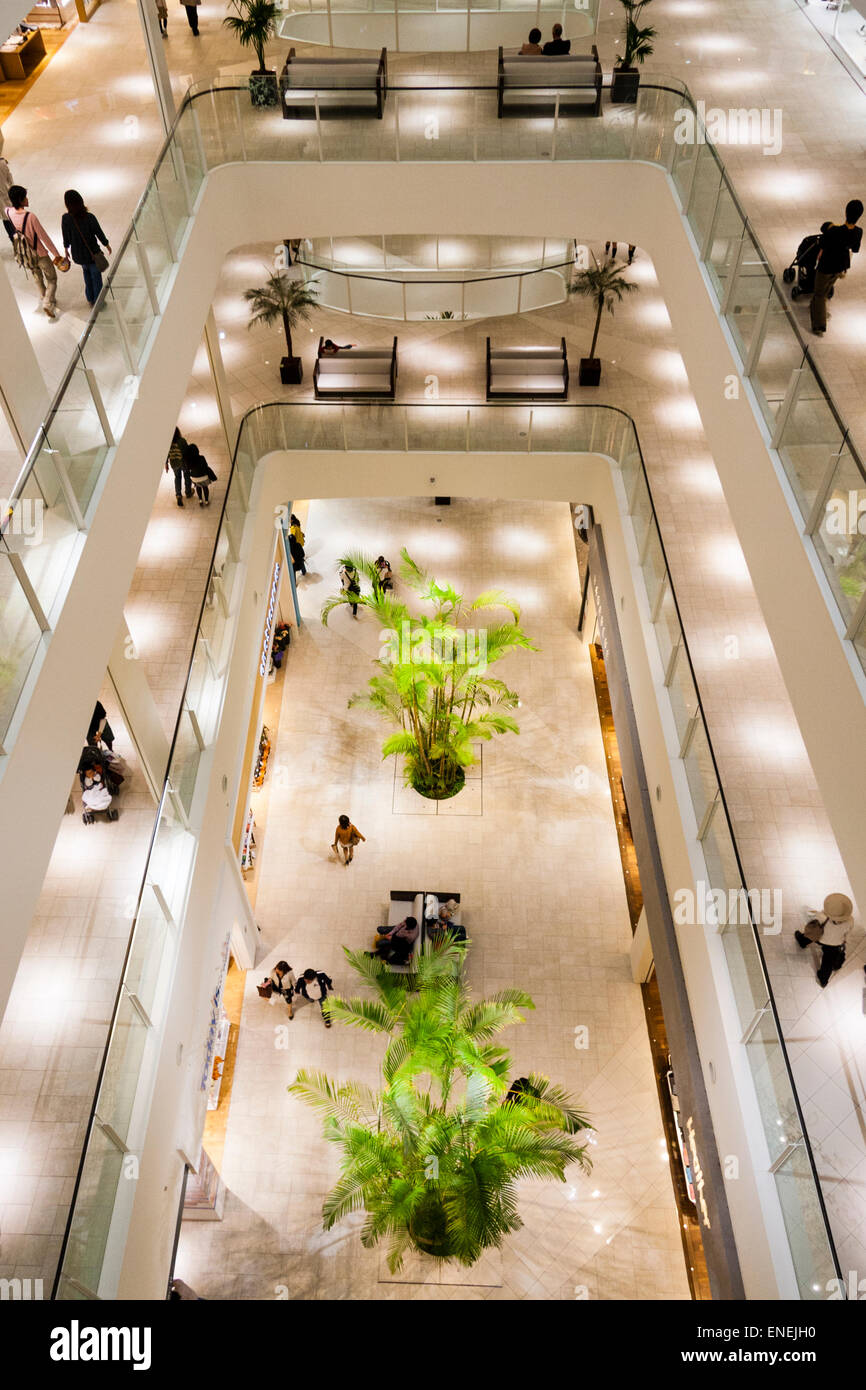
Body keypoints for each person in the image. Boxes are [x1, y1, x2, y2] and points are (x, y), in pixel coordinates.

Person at [4, 185, 66, 319]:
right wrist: (56, 255)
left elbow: (6, 207)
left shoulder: (8, 212)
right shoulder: (31, 217)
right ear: (21, 200)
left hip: (25, 254)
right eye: (25, 196)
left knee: (37, 276)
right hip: (40, 253)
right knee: (52, 279)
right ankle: (47, 302)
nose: (27, 198)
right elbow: (44, 237)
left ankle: (45, 298)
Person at [810, 199, 863, 335]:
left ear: (846, 212)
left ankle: (819, 324)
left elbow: (822, 242)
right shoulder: (858, 232)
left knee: (819, 293)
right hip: (841, 266)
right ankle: (816, 307)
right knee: (828, 286)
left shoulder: (835, 230)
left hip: (827, 265)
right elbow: (855, 249)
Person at [61, 189, 111, 307]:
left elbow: (66, 235)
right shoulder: (89, 217)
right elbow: (98, 232)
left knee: (86, 274)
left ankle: (90, 298)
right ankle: (98, 302)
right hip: (92, 254)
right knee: (96, 278)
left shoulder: (66, 218)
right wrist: (106, 244)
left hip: (78, 255)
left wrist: (66, 248)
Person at [795, 893, 854, 988]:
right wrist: (845, 941)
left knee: (811, 935)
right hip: (836, 944)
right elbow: (848, 934)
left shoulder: (822, 916)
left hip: (820, 938)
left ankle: (802, 941)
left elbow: (809, 918)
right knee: (828, 962)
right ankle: (823, 979)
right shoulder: (850, 921)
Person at [165, 426, 193, 507]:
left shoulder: (168, 442)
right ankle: (188, 492)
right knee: (187, 476)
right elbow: (187, 452)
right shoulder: (182, 441)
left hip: (174, 463)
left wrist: (166, 463)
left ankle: (178, 495)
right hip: (183, 463)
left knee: (177, 477)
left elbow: (166, 454)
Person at [186, 442, 214, 506]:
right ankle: (206, 501)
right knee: (205, 487)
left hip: (194, 478)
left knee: (198, 487)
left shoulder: (189, 460)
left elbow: (188, 469)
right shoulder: (201, 458)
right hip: (203, 477)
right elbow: (206, 466)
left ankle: (200, 500)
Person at [0, 148, 15, 244]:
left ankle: (14, 241)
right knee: (12, 217)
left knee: (6, 219)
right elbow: (10, 179)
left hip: (2, 198)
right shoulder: (3, 163)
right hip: (8, 194)